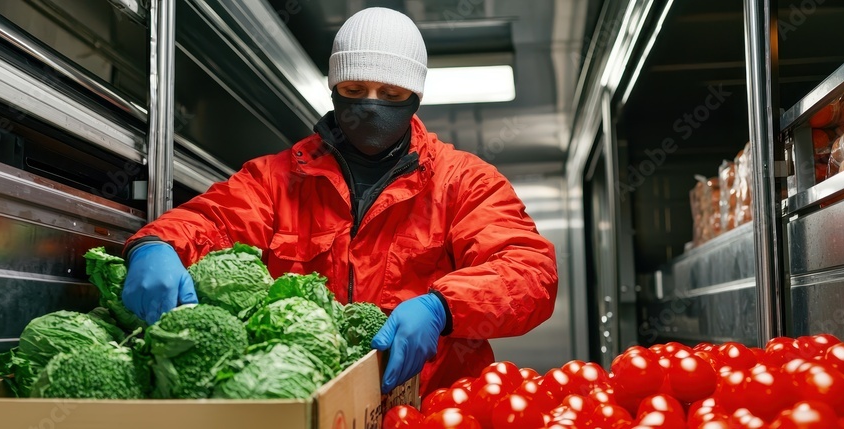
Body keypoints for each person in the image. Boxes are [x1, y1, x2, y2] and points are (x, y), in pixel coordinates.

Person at [121, 7, 558, 395]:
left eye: (390, 95)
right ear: (333, 88)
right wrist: (156, 245)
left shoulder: (465, 182)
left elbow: (530, 273)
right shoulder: (276, 180)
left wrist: (443, 307)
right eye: (354, 88)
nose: (371, 106)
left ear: (415, 98)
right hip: (307, 404)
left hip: (434, 408)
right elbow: (213, 220)